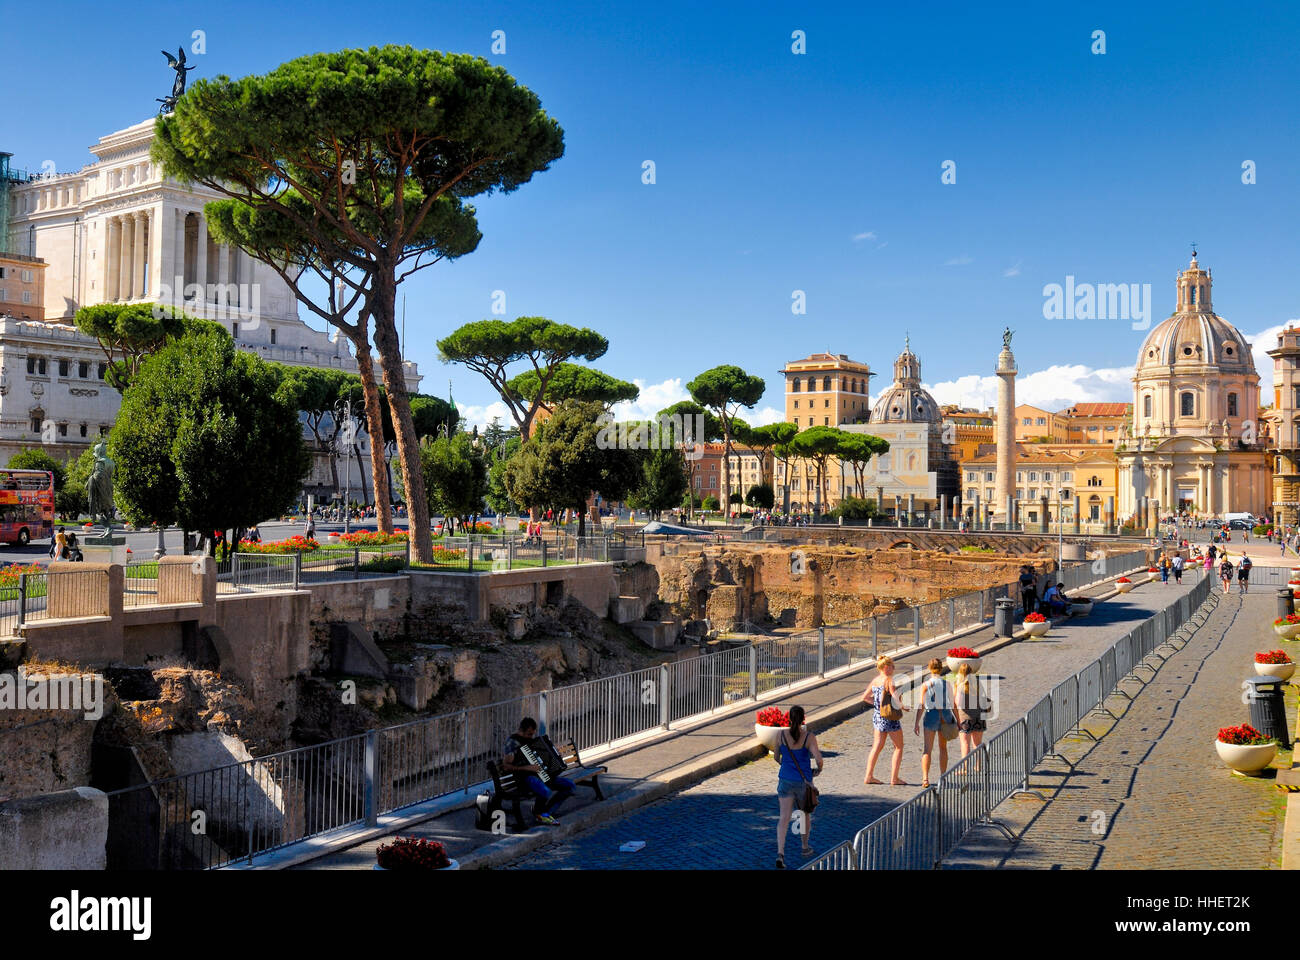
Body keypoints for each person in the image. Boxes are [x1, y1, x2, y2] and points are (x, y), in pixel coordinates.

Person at [500, 717, 574, 826]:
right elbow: (506, 766)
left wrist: (554, 754)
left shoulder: (531, 741)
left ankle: (544, 813)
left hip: (540, 776)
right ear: (521, 730)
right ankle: (542, 814)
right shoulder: (512, 743)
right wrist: (527, 768)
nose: (531, 737)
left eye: (533, 734)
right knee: (546, 791)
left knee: (570, 786)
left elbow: (543, 757)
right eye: (529, 734)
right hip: (524, 779)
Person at [775, 705, 822, 869]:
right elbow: (818, 759)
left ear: (788, 718)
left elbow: (776, 757)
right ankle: (804, 847)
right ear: (803, 719)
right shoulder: (809, 737)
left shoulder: (780, 735)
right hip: (803, 783)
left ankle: (780, 853)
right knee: (804, 815)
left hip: (785, 781)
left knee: (784, 818)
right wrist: (817, 771)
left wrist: (786, 765)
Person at [862, 655, 910, 785]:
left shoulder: (875, 680)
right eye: (892, 667)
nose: (894, 669)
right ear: (886, 667)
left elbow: (865, 697)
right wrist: (903, 707)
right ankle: (894, 778)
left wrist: (878, 705)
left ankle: (868, 776)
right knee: (899, 747)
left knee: (876, 747)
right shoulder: (889, 680)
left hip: (878, 717)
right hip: (890, 718)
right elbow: (895, 696)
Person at [913, 658, 955, 788]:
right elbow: (953, 704)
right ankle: (943, 776)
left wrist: (916, 722)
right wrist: (958, 721)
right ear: (941, 668)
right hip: (945, 716)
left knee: (927, 749)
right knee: (943, 748)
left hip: (931, 715)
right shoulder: (947, 684)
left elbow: (921, 705)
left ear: (929, 669)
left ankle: (925, 778)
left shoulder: (926, 685)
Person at [951, 662, 988, 762]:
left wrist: (956, 718)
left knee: (965, 744)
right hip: (979, 717)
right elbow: (984, 699)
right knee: (977, 743)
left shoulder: (959, 686)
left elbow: (956, 703)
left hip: (965, 718)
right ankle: (978, 765)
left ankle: (965, 768)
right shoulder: (978, 684)